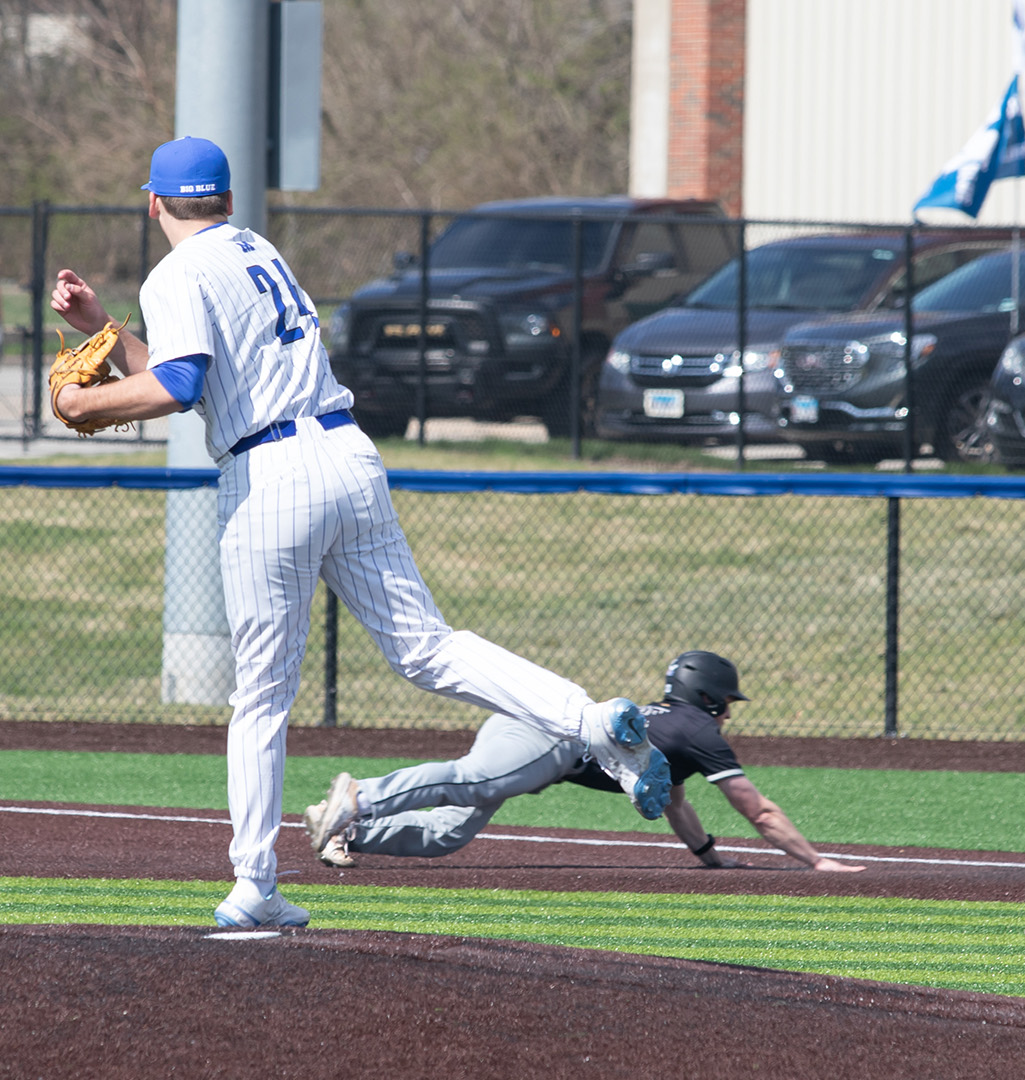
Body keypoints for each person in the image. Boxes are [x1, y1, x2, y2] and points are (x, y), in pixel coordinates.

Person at [48, 137, 670, 929]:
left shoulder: (173, 273)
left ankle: (254, 885)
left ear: (153, 204)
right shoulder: (256, 249)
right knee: (429, 648)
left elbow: (177, 386)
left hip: (269, 477)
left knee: (263, 696)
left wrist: (81, 405)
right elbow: (195, 374)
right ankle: (590, 721)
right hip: (345, 452)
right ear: (228, 202)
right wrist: (104, 325)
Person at [307, 651, 866, 874]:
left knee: (448, 834)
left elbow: (673, 801)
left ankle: (349, 830)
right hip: (548, 739)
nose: (727, 716)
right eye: (726, 705)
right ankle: (362, 794)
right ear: (713, 699)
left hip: (539, 733)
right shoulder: (699, 731)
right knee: (473, 782)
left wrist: (708, 856)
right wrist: (815, 861)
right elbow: (758, 810)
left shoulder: (672, 728)